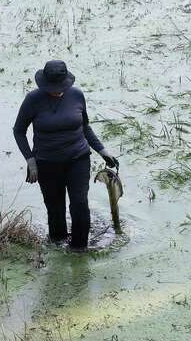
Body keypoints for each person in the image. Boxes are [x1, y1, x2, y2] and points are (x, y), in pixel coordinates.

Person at [13, 60, 119, 251]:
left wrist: (103, 151)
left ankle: (79, 250)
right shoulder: (32, 100)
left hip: (78, 159)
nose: (56, 91)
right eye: (52, 88)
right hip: (46, 163)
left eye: (60, 87)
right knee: (55, 209)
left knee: (79, 204)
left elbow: (85, 127)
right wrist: (30, 160)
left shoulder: (77, 95)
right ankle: (57, 245)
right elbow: (19, 131)